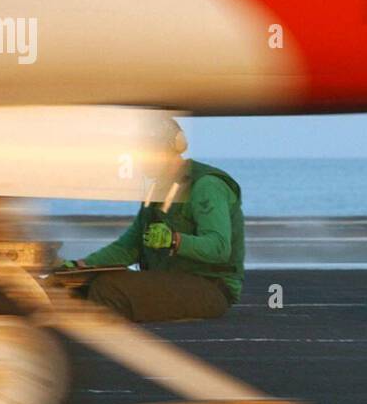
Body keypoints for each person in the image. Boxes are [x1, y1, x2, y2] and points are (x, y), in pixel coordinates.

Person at [57, 120, 244, 323]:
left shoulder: (206, 185)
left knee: (109, 289)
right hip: (173, 280)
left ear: (172, 148)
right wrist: (80, 266)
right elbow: (128, 247)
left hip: (210, 287)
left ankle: (108, 349)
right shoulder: (157, 190)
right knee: (78, 288)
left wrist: (175, 241)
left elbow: (219, 247)